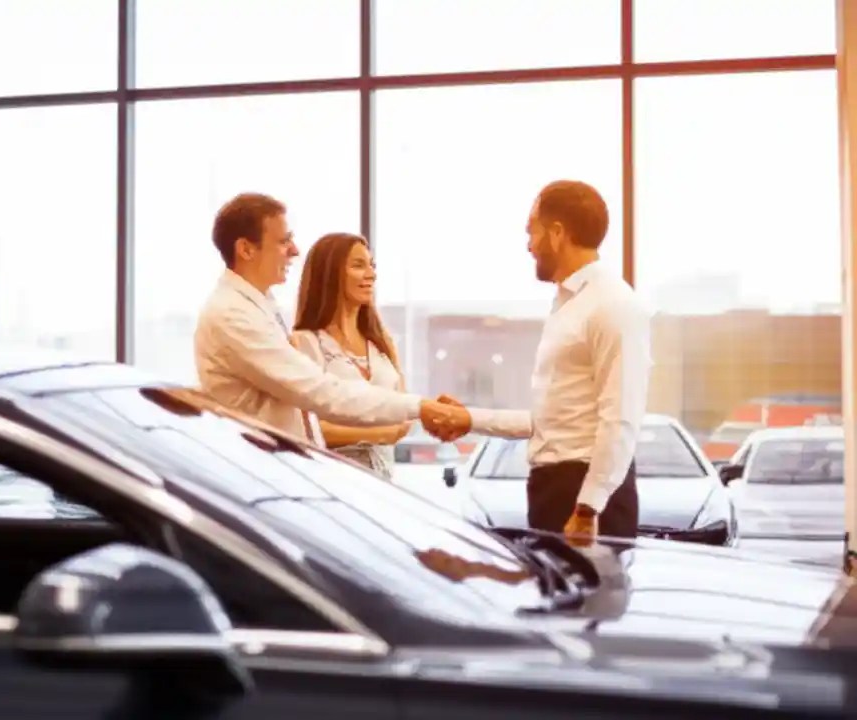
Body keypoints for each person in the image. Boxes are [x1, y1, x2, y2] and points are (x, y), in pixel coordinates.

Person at [428, 180, 652, 545]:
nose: (528, 244)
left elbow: (622, 418)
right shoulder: (569, 304)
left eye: (532, 231)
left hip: (585, 498)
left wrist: (588, 508)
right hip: (554, 489)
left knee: (591, 602)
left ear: (557, 233)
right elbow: (555, 422)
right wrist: (470, 419)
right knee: (556, 602)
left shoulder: (613, 304)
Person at [193, 192, 453, 445]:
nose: (294, 251)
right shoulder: (232, 315)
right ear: (246, 250)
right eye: (284, 241)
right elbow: (320, 391)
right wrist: (419, 408)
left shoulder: (260, 307)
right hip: (266, 469)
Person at [290, 233, 410, 478]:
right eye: (358, 265)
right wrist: (379, 433)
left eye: (372, 266)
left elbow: (403, 413)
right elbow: (303, 429)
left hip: (385, 487)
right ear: (330, 274)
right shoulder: (304, 343)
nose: (371, 274)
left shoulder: (381, 343)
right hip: (335, 487)